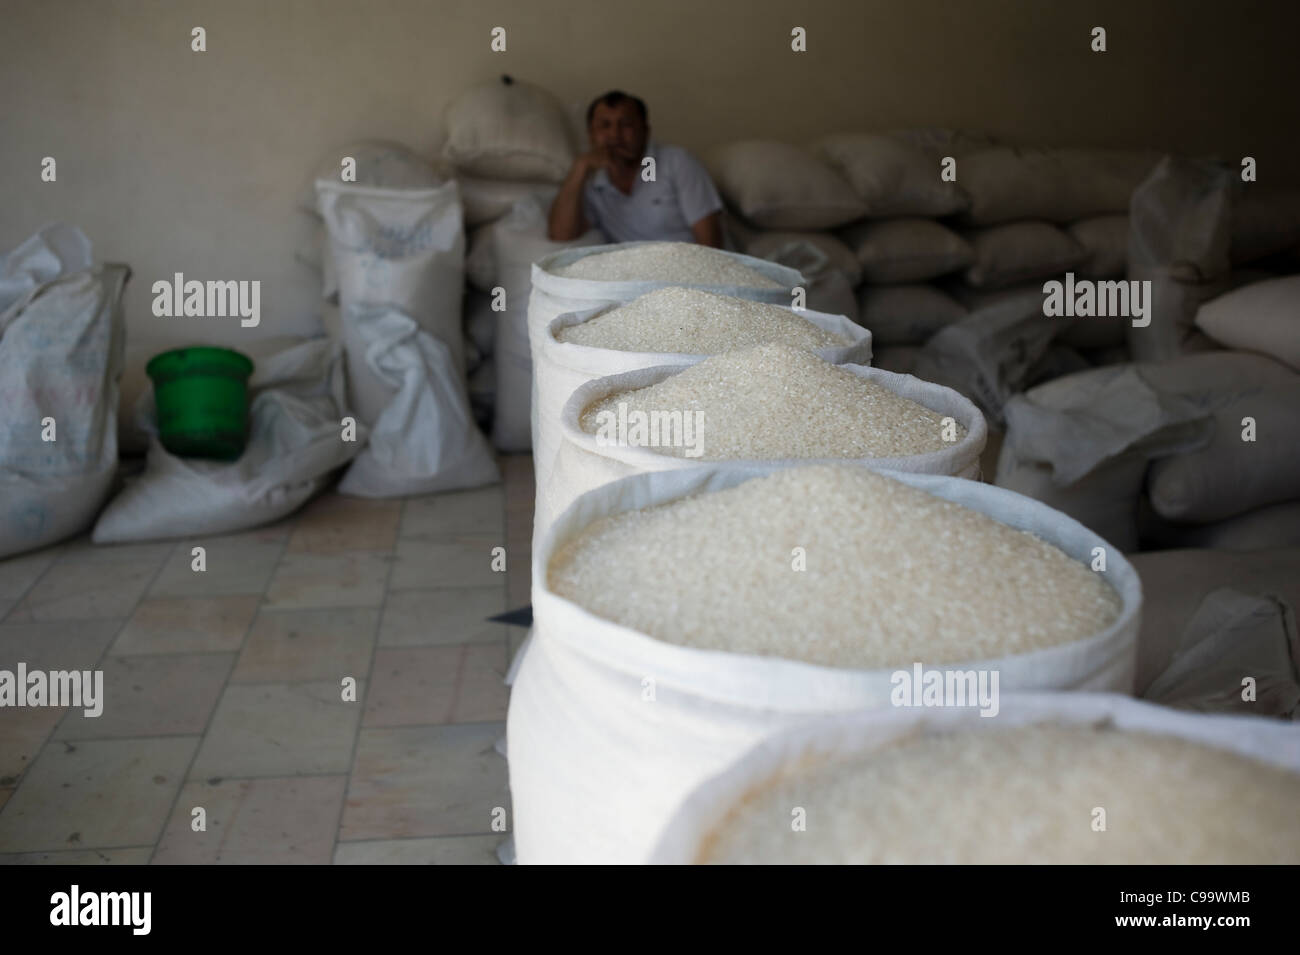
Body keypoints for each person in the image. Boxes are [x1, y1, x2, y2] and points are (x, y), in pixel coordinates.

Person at [548, 90, 724, 247]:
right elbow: (561, 235)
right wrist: (580, 167)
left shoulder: (675, 163)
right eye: (605, 125)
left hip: (695, 273)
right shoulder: (592, 181)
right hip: (639, 278)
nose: (615, 135)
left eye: (626, 125)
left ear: (645, 131)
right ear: (591, 135)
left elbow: (711, 245)